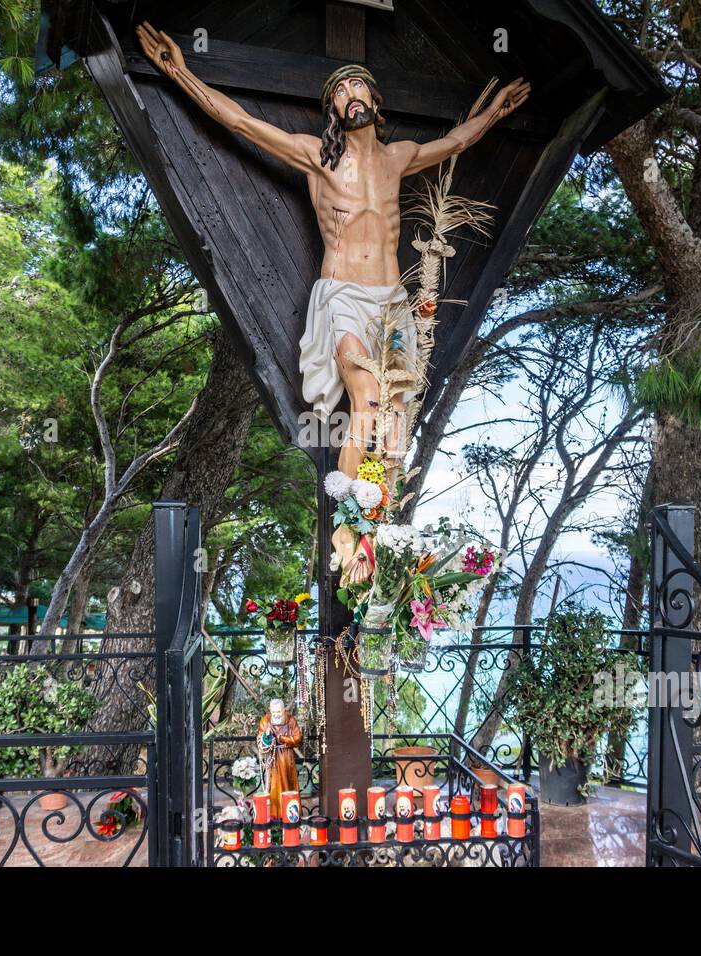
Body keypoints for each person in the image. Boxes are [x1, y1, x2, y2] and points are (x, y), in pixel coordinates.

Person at [137, 23, 530, 583]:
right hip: (344, 295)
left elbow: (459, 141)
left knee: (394, 413)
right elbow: (240, 121)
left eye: (357, 87)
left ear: (375, 99)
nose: (350, 97)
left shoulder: (399, 157)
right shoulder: (316, 158)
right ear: (332, 110)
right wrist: (178, 69)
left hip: (393, 302)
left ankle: (371, 534)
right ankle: (345, 530)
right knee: (365, 398)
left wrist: (495, 110)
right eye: (339, 93)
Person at [256, 698, 302, 820]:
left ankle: (290, 816)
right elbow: (260, 740)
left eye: (279, 712)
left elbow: (298, 738)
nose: (276, 715)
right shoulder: (265, 721)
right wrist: (267, 737)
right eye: (274, 712)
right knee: (273, 787)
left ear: (283, 710)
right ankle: (273, 817)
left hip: (286, 758)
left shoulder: (290, 720)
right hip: (272, 759)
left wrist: (283, 738)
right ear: (270, 711)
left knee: (288, 784)